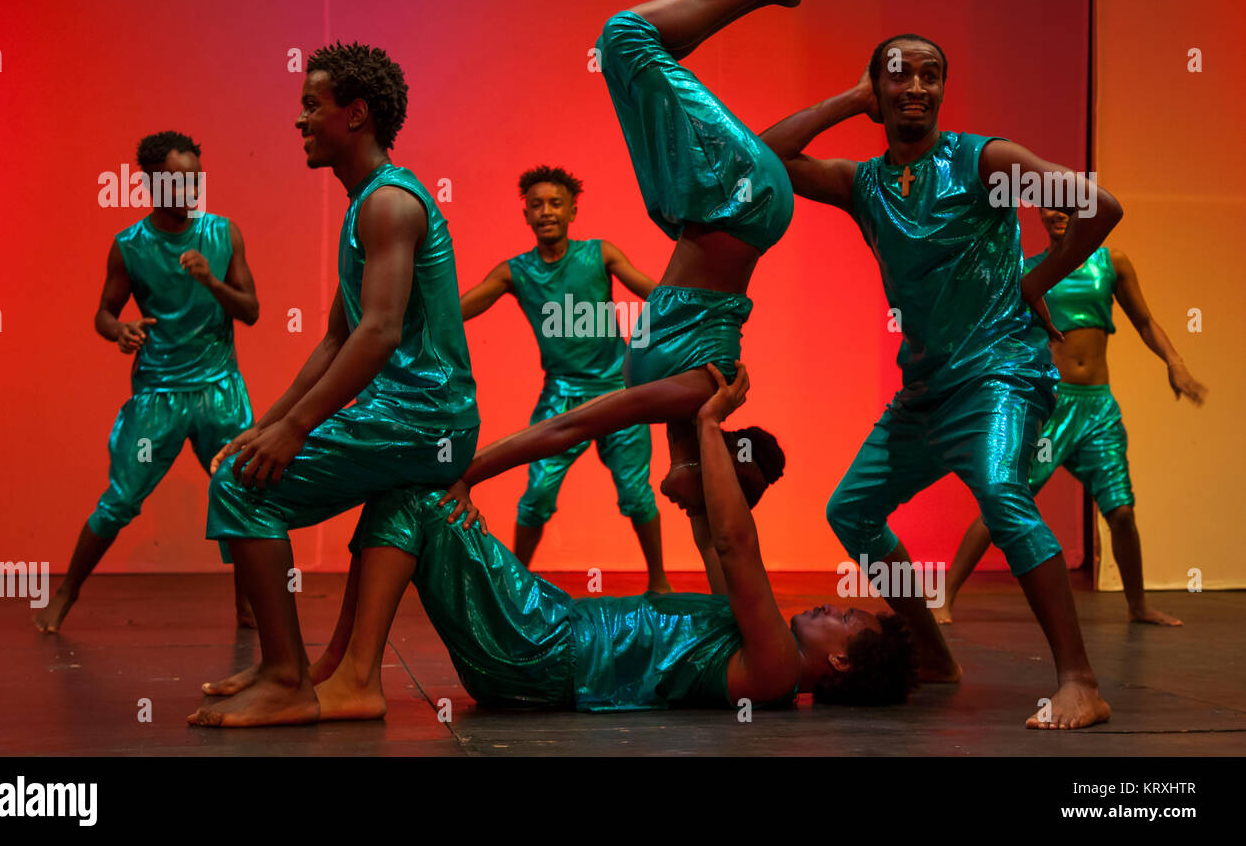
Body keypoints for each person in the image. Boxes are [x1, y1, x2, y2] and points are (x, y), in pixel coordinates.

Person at [440, 0, 830, 593]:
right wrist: (470, 471)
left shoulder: (686, 415)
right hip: (738, 202)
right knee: (625, 39)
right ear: (727, 473)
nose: (685, 500)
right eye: (702, 496)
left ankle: (824, 48)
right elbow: (573, 424)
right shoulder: (697, 389)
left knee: (640, 98)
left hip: (709, 209)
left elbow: (722, 548)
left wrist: (857, 98)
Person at [197, 364, 916, 723]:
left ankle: (351, 677)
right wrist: (702, 443)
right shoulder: (760, 649)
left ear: (842, 661)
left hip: (543, 650)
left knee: (412, 490)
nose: (832, 606)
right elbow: (716, 528)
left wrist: (709, 417)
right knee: (409, 490)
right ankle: (336, 668)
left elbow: (733, 541)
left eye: (845, 618)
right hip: (544, 630)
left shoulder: (774, 667)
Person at [759, 25, 1123, 727]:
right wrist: (847, 99)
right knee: (851, 511)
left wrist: (1032, 279)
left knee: (998, 490)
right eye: (898, 75)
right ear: (879, 90)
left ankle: (1081, 681)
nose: (916, 87)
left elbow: (1098, 208)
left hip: (999, 372)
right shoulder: (863, 184)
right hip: (927, 388)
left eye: (930, 74)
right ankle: (933, 653)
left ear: (944, 89)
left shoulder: (984, 162)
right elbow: (763, 157)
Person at [192, 42, 479, 727]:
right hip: (417, 413)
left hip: (423, 414)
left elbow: (377, 333)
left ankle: (288, 679)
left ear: (354, 115)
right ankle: (314, 673)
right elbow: (334, 339)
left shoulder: (389, 205)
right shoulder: (365, 205)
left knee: (239, 485)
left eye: (310, 106)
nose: (298, 121)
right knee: (250, 458)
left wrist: (293, 432)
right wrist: (272, 421)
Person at [934, 206, 1208, 626]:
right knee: (1005, 499)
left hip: (1098, 407)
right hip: (1051, 405)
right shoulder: (1030, 271)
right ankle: (946, 598)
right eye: (1050, 206)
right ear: (1041, 215)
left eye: (1068, 205)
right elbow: (1001, 334)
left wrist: (1175, 362)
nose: (1058, 212)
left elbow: (1146, 322)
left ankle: (1137, 605)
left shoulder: (1110, 262)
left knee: (1121, 511)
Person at [34, 130, 260, 633]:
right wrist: (121, 329)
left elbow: (252, 311)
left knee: (243, 495)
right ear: (152, 184)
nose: (192, 192)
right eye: (180, 183)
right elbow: (104, 314)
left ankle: (248, 609)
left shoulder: (224, 234)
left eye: (197, 181)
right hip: (158, 395)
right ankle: (65, 595)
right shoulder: (129, 247)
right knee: (120, 501)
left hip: (220, 391)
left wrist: (212, 281)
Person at [459, 164, 667, 589]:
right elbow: (460, 308)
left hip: (618, 390)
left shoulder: (600, 254)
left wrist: (693, 306)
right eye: (536, 205)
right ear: (526, 217)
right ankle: (516, 581)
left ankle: (659, 580)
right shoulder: (514, 272)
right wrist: (409, 319)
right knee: (537, 495)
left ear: (573, 211)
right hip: (561, 394)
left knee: (635, 493)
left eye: (556, 203)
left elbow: (652, 290)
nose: (546, 211)